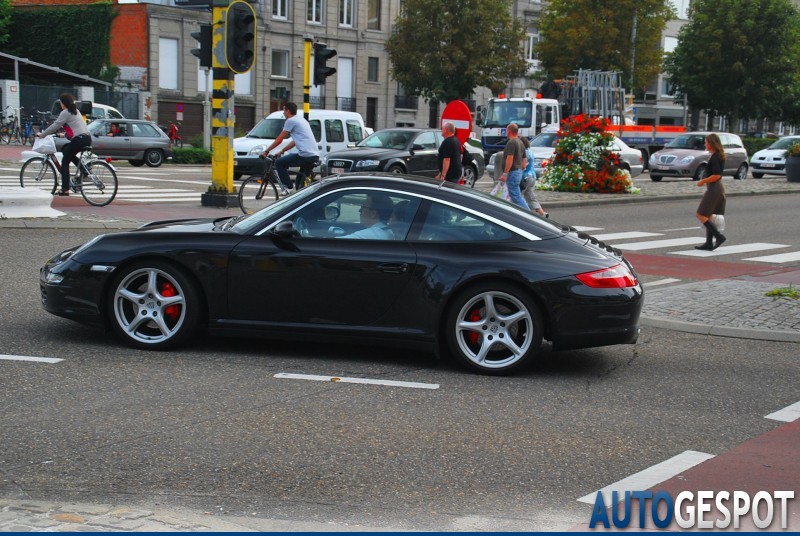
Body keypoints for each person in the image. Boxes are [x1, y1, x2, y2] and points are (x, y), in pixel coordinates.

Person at [37, 93, 91, 197]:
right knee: (66, 149)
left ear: (63, 103)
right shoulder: (75, 111)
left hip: (79, 139)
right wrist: (64, 135)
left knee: (65, 162)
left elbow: (55, 125)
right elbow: (77, 127)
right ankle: (84, 170)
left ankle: (65, 189)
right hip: (86, 138)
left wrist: (42, 135)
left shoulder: (65, 112)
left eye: (61, 103)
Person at [260, 102, 320, 194]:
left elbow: (279, 139)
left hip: (305, 155)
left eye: (284, 110)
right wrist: (282, 151)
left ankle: (288, 187)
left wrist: (266, 151)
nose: (283, 113)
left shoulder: (290, 121)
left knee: (279, 163)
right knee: (299, 187)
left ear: (288, 111)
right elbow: (294, 142)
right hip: (314, 155)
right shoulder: (301, 120)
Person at [694, 133, 727, 250]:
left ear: (712, 143)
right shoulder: (717, 155)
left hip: (714, 188)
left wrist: (703, 181)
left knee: (700, 214)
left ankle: (719, 237)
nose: (705, 144)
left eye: (706, 142)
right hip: (715, 188)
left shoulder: (715, 157)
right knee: (708, 215)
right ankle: (709, 243)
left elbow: (717, 175)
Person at [498, 123, 529, 210]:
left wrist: (505, 174)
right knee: (514, 195)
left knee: (516, 197)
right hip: (518, 171)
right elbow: (524, 160)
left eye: (506, 131)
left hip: (512, 172)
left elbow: (510, 158)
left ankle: (528, 214)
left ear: (509, 131)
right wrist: (520, 169)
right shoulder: (520, 142)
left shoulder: (511, 142)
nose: (506, 133)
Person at [520, 136, 547, 217]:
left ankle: (526, 213)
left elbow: (523, 165)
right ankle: (542, 213)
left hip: (525, 177)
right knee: (531, 196)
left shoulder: (524, 153)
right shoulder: (530, 152)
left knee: (518, 196)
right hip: (533, 176)